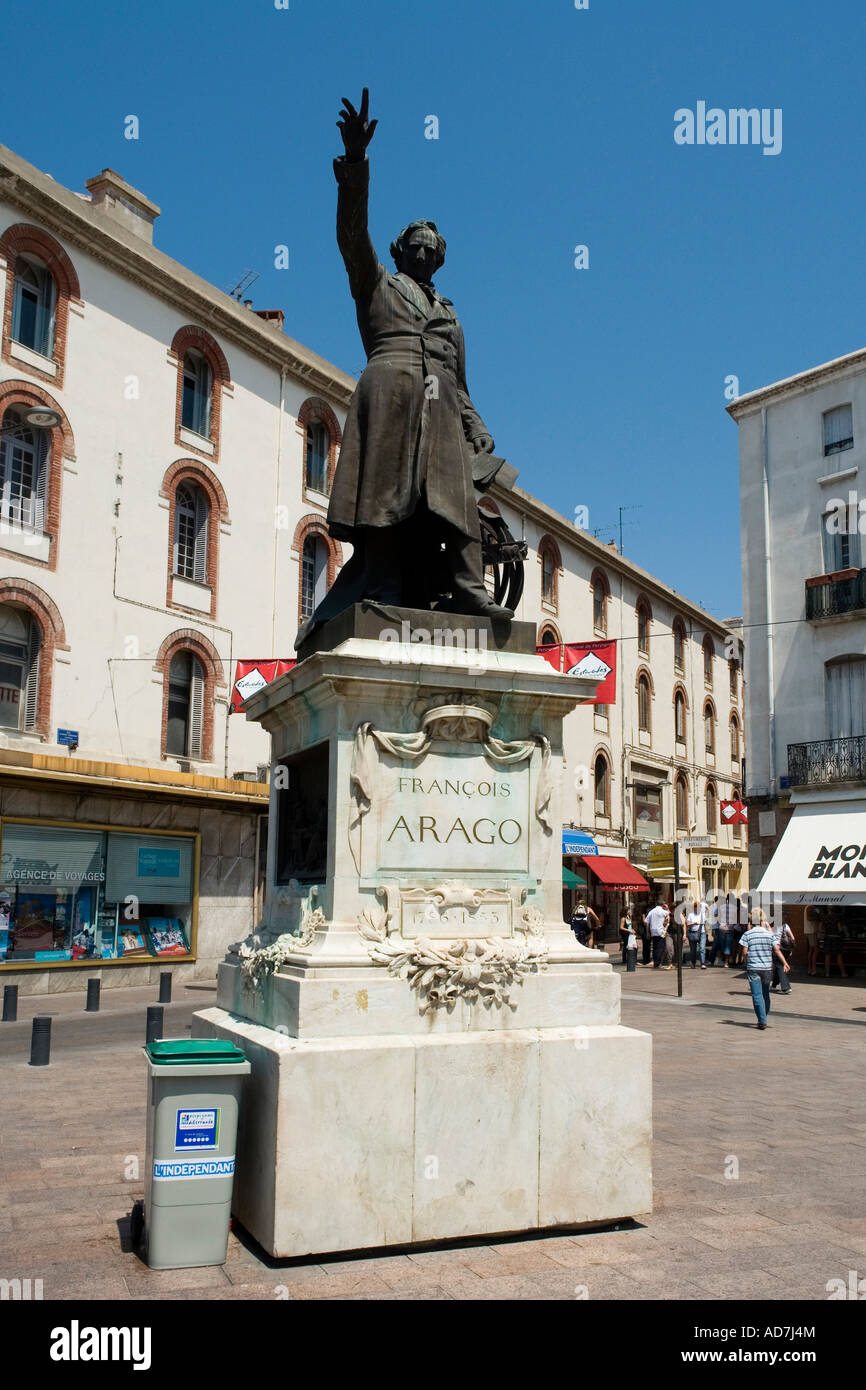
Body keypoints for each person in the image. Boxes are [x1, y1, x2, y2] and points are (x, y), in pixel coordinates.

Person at [295, 88, 515, 647]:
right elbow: (351, 235)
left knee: (456, 500)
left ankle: (469, 591)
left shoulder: (451, 314)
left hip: (441, 408)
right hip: (389, 396)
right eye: (413, 246)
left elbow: (462, 386)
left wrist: (480, 433)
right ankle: (383, 589)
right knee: (385, 500)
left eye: (430, 248)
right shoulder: (376, 285)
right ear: (398, 252)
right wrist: (356, 163)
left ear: (439, 257)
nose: (421, 253)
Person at [741, 909, 790, 1030]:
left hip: (753, 967)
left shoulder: (747, 934)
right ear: (763, 920)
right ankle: (764, 1015)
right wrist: (785, 963)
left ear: (751, 920)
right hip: (767, 968)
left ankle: (762, 1019)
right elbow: (777, 950)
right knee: (765, 994)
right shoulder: (769, 934)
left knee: (757, 995)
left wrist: (745, 960)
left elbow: (745, 952)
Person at [770, 917, 795, 993]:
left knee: (780, 967)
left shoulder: (771, 926)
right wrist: (791, 949)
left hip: (777, 949)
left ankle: (786, 987)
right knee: (779, 966)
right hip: (786, 950)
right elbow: (793, 938)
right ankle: (774, 985)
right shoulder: (785, 926)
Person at [645, 899, 670, 969]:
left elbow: (646, 922)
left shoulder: (651, 911)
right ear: (663, 905)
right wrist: (667, 908)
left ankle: (655, 961)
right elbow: (669, 913)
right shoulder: (663, 911)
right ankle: (657, 963)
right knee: (660, 948)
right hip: (660, 931)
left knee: (655, 947)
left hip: (653, 931)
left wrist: (647, 932)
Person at [822, 915, 849, 979]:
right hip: (836, 939)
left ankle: (827, 973)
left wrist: (826, 931)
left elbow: (820, 928)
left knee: (827, 956)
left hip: (828, 938)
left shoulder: (824, 918)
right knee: (839, 956)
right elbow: (840, 929)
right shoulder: (836, 918)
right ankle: (843, 973)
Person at [686, 899, 707, 969]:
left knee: (702, 948)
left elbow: (705, 924)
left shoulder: (702, 914)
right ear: (694, 908)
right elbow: (687, 924)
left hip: (702, 933)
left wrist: (707, 931)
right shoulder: (690, 915)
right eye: (696, 907)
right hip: (692, 933)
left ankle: (702, 963)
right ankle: (693, 963)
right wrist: (693, 923)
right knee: (693, 950)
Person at [619, 903, 638, 970]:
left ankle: (632, 959)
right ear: (626, 911)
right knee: (626, 945)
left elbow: (629, 925)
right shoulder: (623, 918)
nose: (630, 911)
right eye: (628, 910)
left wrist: (632, 930)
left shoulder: (628, 917)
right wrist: (629, 930)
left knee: (632, 946)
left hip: (630, 933)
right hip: (626, 934)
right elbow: (621, 927)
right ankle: (625, 959)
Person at [804, 905, 820, 976]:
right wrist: (818, 917)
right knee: (816, 949)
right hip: (811, 931)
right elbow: (809, 918)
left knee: (811, 950)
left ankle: (810, 969)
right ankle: (813, 970)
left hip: (810, 931)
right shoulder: (810, 907)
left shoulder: (810, 907)